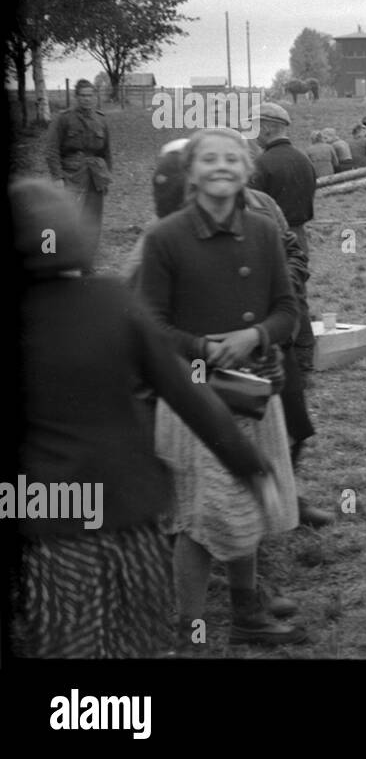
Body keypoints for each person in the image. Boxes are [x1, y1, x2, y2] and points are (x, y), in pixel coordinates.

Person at [13, 178, 270, 658]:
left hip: (47, 516)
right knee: (138, 634)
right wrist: (247, 463)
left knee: (71, 639)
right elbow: (188, 392)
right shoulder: (112, 301)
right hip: (131, 507)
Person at [137, 127, 309, 647]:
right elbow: (150, 324)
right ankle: (190, 629)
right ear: (191, 172)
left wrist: (256, 335)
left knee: (249, 499)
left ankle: (246, 614)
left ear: (247, 171)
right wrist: (204, 349)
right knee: (200, 516)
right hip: (194, 399)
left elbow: (288, 310)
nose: (222, 166)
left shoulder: (261, 230)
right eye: (209, 159)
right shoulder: (164, 239)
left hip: (253, 391)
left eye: (233, 158)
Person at [249, 102, 317, 377]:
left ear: (266, 128)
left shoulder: (260, 165)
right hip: (300, 235)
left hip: (272, 237)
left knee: (274, 300)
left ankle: (281, 360)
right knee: (298, 296)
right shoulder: (304, 160)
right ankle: (305, 357)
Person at [44, 79, 112, 274]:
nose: (87, 100)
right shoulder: (64, 119)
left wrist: (106, 178)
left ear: (95, 97)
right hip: (71, 176)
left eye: (90, 95)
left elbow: (107, 153)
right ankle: (58, 263)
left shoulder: (101, 120)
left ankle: (87, 265)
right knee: (67, 220)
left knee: (93, 222)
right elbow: (51, 149)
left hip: (95, 177)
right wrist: (57, 177)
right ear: (76, 97)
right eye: (82, 96)